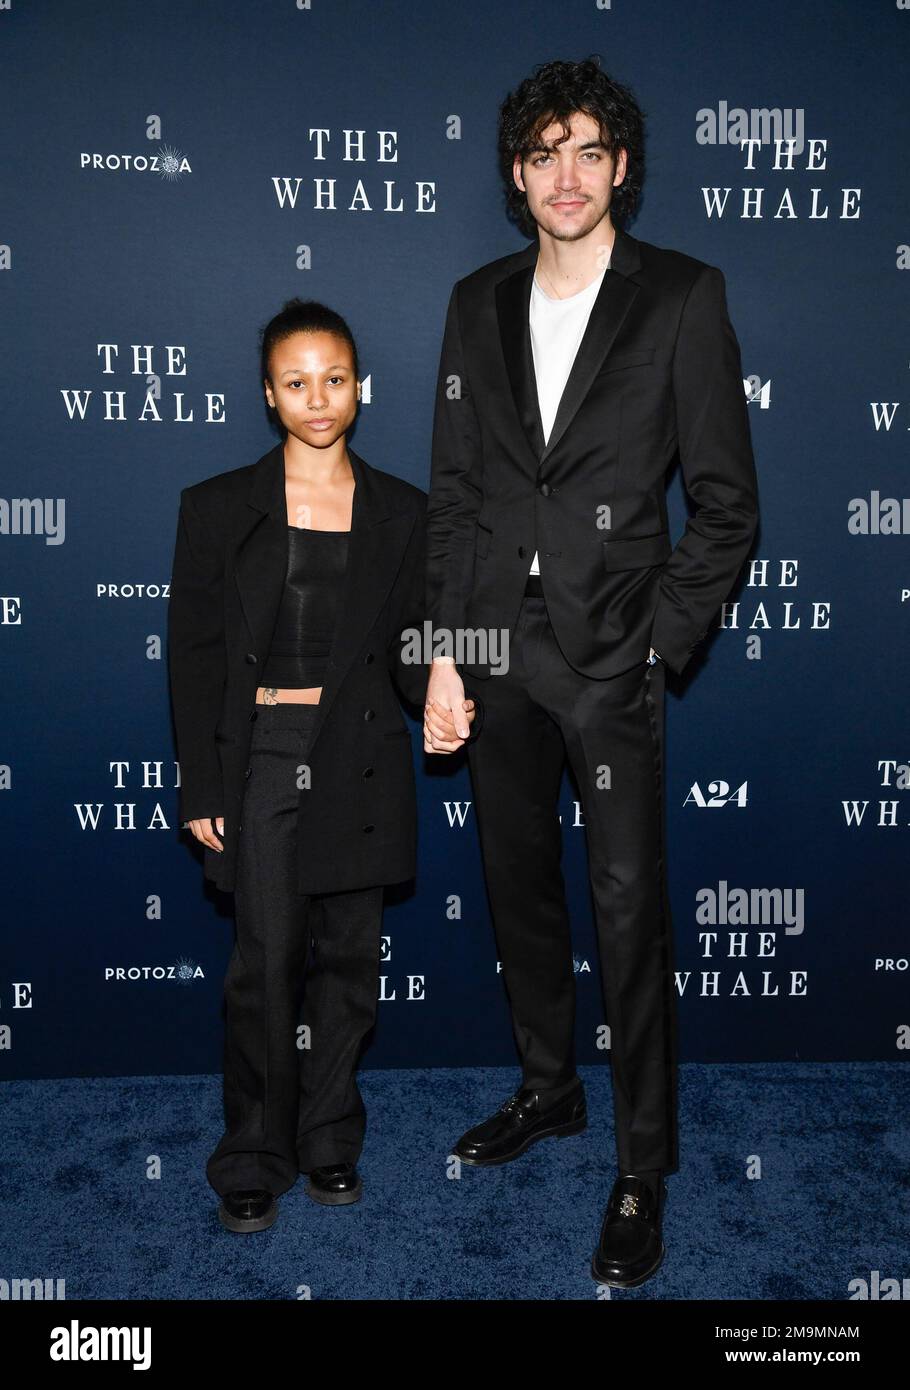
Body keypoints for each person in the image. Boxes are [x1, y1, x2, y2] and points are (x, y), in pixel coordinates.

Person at [424, 57, 759, 1287]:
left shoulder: (681, 295)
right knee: (515, 886)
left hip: (612, 649)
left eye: (586, 151)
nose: (564, 175)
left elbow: (726, 504)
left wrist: (657, 641)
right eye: (541, 153)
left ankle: (641, 1163)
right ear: (515, 175)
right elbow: (453, 496)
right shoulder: (474, 300)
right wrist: (444, 656)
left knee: (626, 908)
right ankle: (548, 1088)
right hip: (495, 647)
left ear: (620, 166)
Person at [167, 298, 480, 1233]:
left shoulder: (403, 512)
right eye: (296, 381)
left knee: (348, 967)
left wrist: (443, 682)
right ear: (268, 394)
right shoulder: (216, 507)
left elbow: (407, 648)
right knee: (263, 967)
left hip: (361, 757)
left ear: (360, 388)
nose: (317, 398)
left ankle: (330, 1138)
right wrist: (202, 784)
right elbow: (195, 658)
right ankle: (252, 1154)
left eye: (334, 379)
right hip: (262, 758)